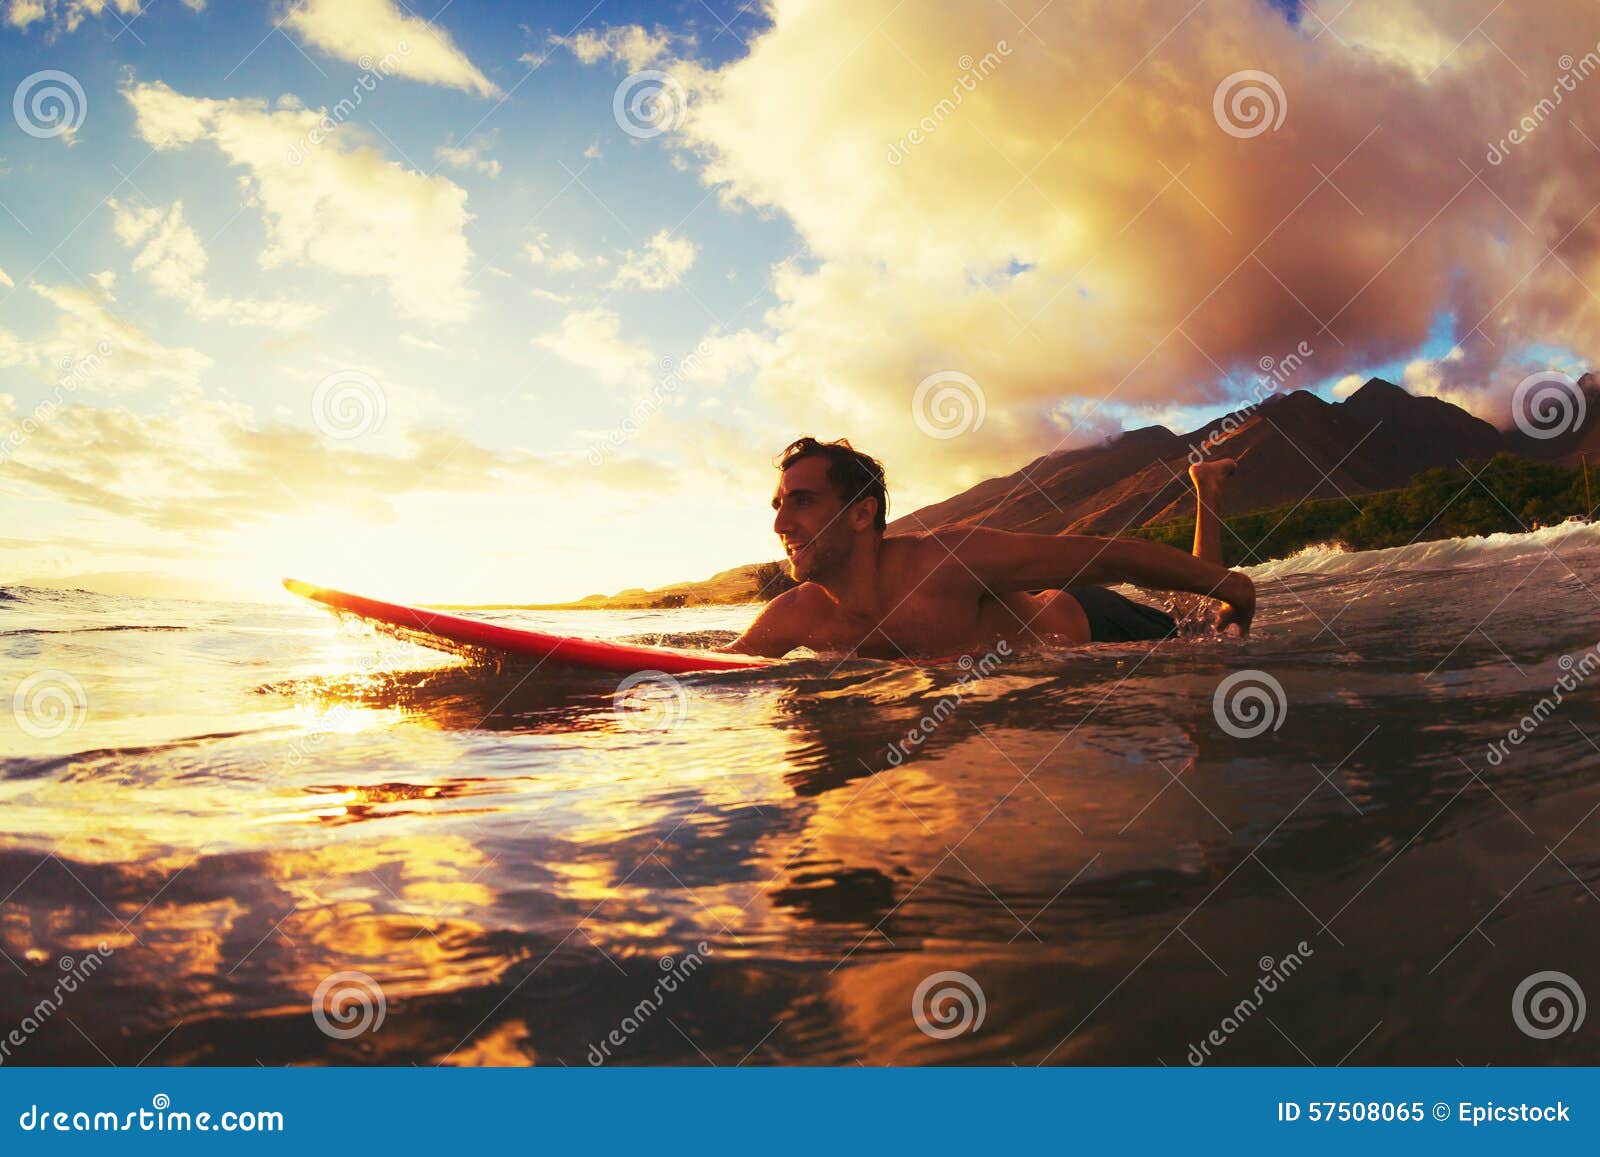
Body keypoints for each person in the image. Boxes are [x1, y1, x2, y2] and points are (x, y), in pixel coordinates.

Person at [725, 436, 1255, 659]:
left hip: (1091, 624)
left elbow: (1103, 555)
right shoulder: (795, 616)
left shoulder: (945, 564)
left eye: (802, 502)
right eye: (778, 506)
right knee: (1205, 619)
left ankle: (1204, 491)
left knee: (1208, 627)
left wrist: (1230, 586)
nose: (781, 525)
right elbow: (702, 670)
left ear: (862, 514)